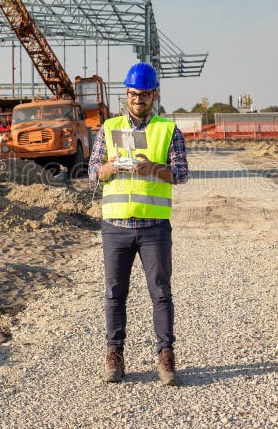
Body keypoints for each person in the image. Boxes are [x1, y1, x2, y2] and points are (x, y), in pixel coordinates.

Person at [88, 62, 189, 386]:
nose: (138, 99)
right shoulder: (109, 128)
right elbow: (92, 173)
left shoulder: (168, 130)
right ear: (126, 95)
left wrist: (153, 169)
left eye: (144, 94)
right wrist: (111, 166)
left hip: (153, 228)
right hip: (116, 226)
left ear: (154, 95)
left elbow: (182, 174)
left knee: (160, 294)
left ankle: (166, 357)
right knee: (115, 293)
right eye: (133, 94)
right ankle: (114, 355)